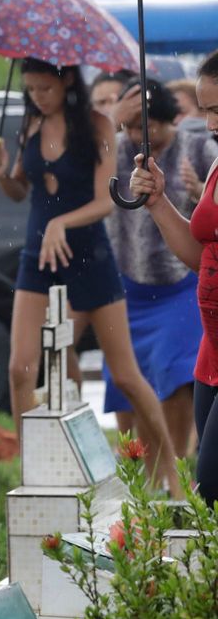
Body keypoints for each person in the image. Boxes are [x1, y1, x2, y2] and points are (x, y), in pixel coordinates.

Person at [0, 58, 180, 494]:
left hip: (89, 257)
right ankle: (30, 470)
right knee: (20, 368)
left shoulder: (96, 127)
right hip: (38, 257)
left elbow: (106, 199)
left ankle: (172, 473)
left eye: (45, 88)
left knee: (126, 374)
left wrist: (61, 223)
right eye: (30, 90)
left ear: (67, 80)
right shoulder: (30, 126)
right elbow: (20, 190)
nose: (37, 97)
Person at [104, 77, 212, 456]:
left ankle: (177, 470)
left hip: (179, 285)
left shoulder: (199, 147)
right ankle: (143, 479)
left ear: (170, 120)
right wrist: (111, 119)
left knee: (174, 374)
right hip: (128, 285)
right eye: (130, 125)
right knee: (124, 383)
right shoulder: (117, 149)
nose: (137, 134)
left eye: (146, 126)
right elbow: (81, 166)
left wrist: (198, 191)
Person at [129, 50, 218, 504]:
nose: (211, 124)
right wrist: (159, 203)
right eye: (205, 111)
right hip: (211, 350)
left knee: (213, 482)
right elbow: (201, 256)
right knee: (210, 489)